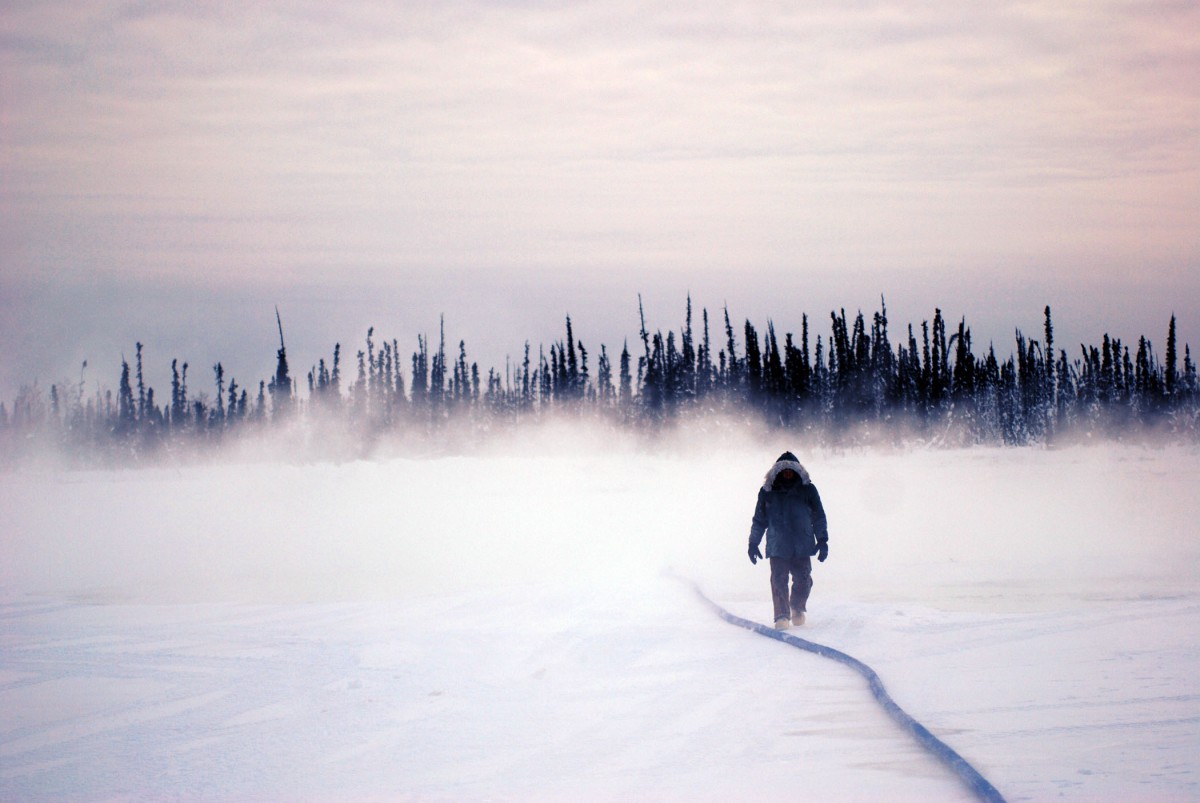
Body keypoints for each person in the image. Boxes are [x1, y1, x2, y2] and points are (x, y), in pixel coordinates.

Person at [747, 451, 829, 629]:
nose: (788, 474)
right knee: (778, 580)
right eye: (784, 471)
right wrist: (753, 543)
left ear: (798, 472)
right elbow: (759, 520)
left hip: (802, 544)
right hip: (778, 545)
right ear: (777, 473)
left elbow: (818, 516)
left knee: (803, 580)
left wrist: (822, 540)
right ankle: (782, 616)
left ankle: (797, 607)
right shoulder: (767, 492)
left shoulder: (808, 490)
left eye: (791, 471)